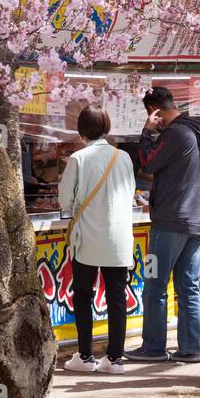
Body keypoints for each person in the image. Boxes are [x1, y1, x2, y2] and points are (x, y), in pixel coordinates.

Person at [130, 87, 200, 363]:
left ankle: (153, 347)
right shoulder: (196, 132)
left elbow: (148, 163)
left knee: (154, 284)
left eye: (151, 115)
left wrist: (146, 133)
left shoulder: (175, 133)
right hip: (196, 223)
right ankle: (190, 348)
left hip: (168, 224)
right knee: (188, 286)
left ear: (156, 111)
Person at [58, 104, 136, 374]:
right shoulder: (123, 157)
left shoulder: (79, 159)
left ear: (81, 130)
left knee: (82, 295)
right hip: (119, 237)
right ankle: (115, 359)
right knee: (116, 297)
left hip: (88, 238)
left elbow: (65, 198)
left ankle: (84, 355)